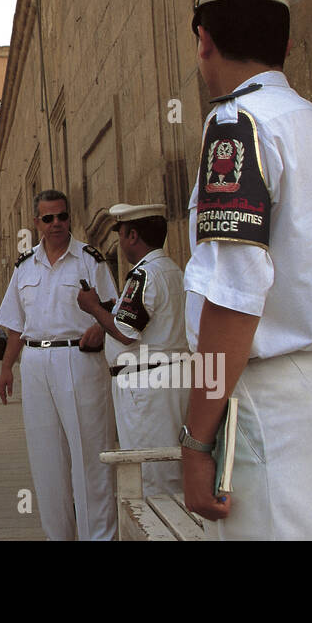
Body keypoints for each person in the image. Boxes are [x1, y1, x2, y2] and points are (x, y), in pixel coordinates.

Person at [180, 0, 312, 540]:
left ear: (205, 41)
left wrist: (195, 442)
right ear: (285, 47)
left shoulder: (236, 125)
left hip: (274, 402)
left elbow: (233, 300)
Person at [0, 189, 120, 541]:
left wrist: (98, 327)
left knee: (89, 457)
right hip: (34, 362)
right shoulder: (24, 267)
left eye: (61, 216)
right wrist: (7, 367)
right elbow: (15, 325)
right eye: (47, 218)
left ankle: (99, 536)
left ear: (69, 218)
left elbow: (113, 311)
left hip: (78, 360)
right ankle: (58, 535)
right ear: (37, 223)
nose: (56, 224)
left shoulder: (89, 260)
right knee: (46, 459)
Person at [81, 203, 189, 497]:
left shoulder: (143, 275)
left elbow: (126, 333)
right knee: (168, 468)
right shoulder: (173, 270)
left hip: (147, 385)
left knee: (151, 473)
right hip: (168, 377)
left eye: (122, 233)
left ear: (132, 236)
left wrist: (93, 308)